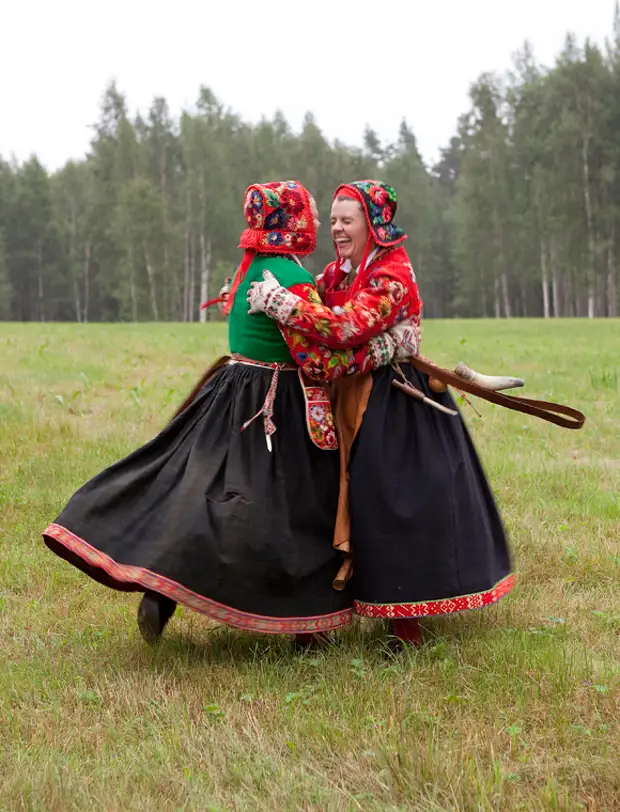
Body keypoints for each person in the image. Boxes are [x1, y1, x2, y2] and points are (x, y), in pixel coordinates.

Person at [42, 180, 407, 647]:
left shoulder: (250, 269)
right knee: (300, 509)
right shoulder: (291, 280)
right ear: (292, 222)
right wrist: (386, 345)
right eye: (312, 215)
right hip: (279, 405)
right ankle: (308, 628)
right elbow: (315, 357)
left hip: (231, 393)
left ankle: (162, 585)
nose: (318, 223)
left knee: (197, 493)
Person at [247, 180, 514, 648]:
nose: (336, 228)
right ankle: (316, 620)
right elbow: (322, 315)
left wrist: (285, 306)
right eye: (331, 220)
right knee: (323, 500)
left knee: (389, 504)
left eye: (346, 220)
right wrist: (285, 301)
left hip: (393, 402)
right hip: (341, 397)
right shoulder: (336, 273)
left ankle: (404, 626)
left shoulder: (394, 273)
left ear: (371, 225)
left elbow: (346, 327)